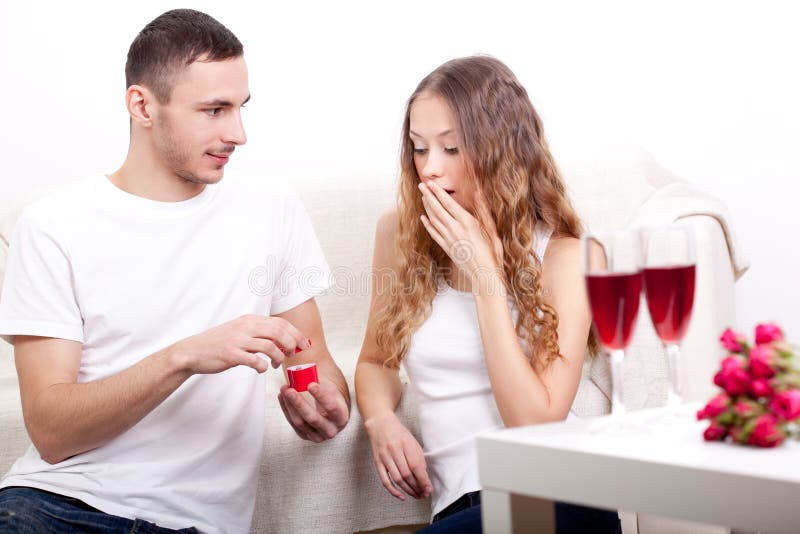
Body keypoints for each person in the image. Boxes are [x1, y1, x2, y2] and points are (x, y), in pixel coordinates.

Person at [0, 9, 349, 533]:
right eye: (213, 110)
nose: (238, 134)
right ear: (142, 105)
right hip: (56, 507)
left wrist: (327, 404)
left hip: (194, 525)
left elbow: (314, 360)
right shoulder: (53, 225)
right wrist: (184, 357)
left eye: (240, 108)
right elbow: (52, 433)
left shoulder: (272, 209)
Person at [355, 56, 620, 533]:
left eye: (452, 148)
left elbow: (535, 424)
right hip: (461, 508)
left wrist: (485, 278)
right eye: (419, 148)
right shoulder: (398, 233)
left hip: (558, 493)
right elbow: (377, 361)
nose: (430, 169)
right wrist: (381, 422)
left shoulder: (568, 255)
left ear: (502, 149)